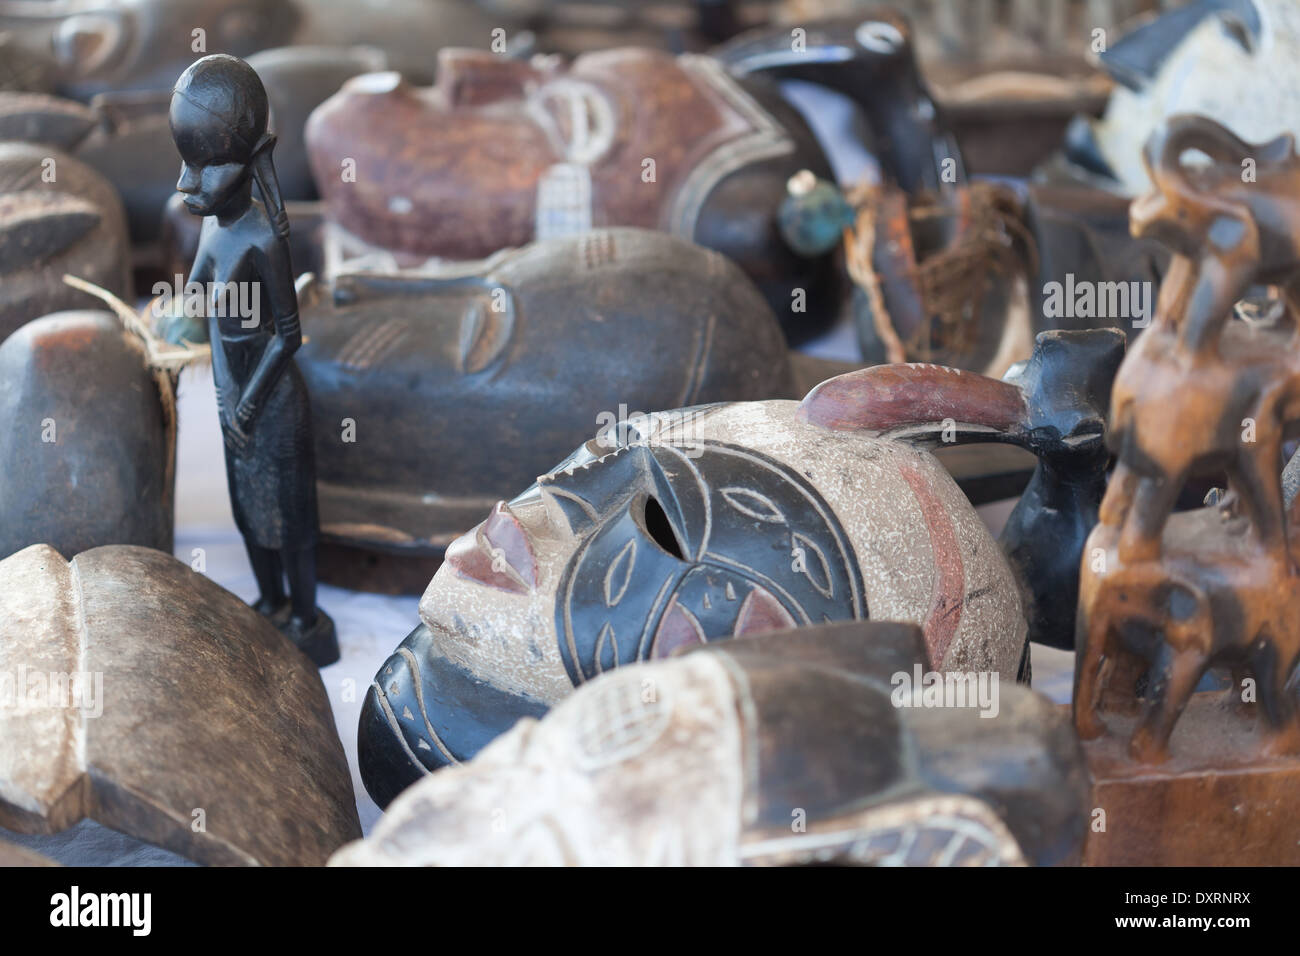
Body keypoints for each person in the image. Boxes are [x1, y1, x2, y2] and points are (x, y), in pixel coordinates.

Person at [170, 53, 337, 666]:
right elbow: (204, 309)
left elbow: (288, 335)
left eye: (207, 167)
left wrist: (244, 397)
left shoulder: (263, 239)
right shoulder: (215, 233)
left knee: (290, 521)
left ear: (253, 160)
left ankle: (305, 613)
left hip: (271, 396)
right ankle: (269, 603)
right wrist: (219, 389)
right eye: (186, 164)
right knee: (248, 514)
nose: (186, 185)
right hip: (232, 392)